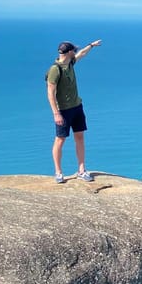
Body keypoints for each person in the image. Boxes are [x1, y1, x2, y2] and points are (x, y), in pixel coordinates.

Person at [46, 39, 102, 183]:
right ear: (69, 52)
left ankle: (81, 170)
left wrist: (91, 46)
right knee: (60, 140)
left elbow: (82, 54)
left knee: (79, 137)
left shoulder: (70, 63)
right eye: (74, 50)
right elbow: (50, 93)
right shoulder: (55, 69)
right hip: (63, 110)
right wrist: (56, 113)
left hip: (77, 107)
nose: (76, 52)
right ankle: (58, 172)